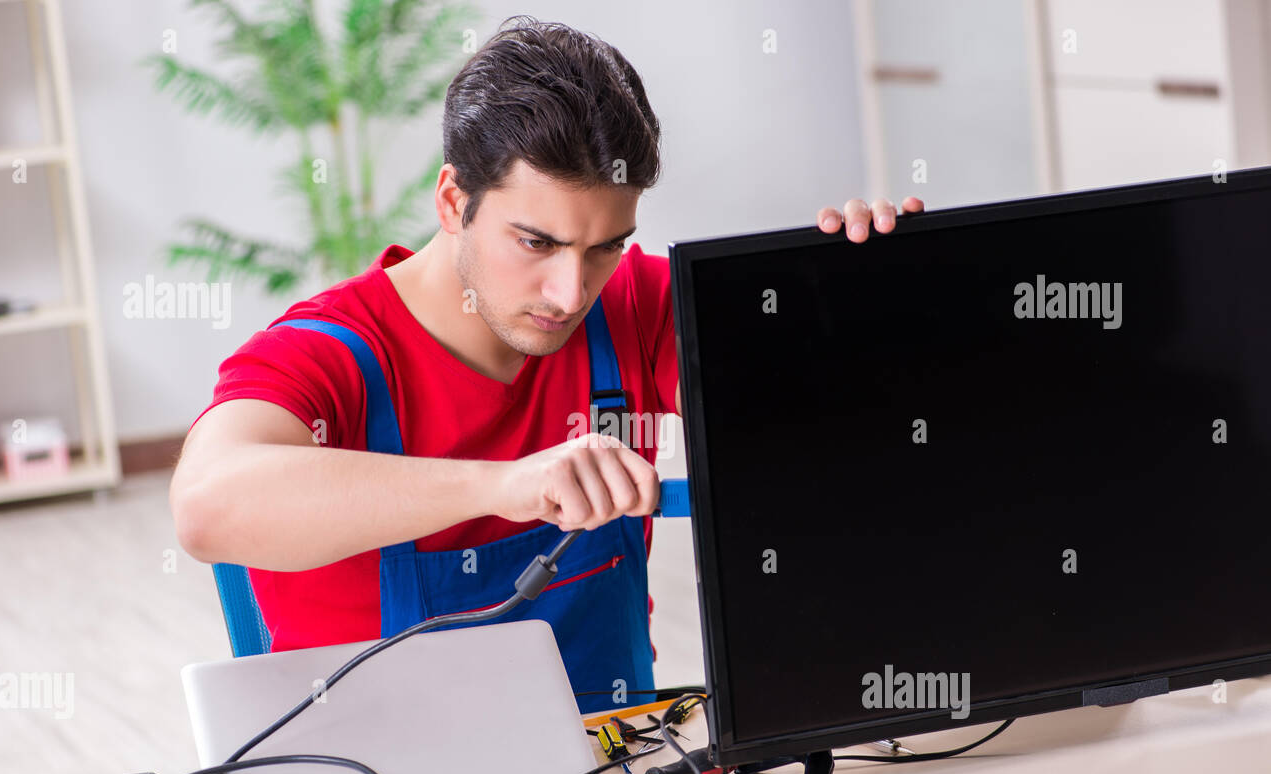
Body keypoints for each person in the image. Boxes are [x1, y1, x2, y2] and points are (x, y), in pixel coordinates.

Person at [169, 15, 923, 712]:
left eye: (604, 247)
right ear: (451, 199)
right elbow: (205, 506)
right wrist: (507, 484)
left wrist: (870, 308)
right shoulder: (330, 353)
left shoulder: (637, 305)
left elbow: (845, 443)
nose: (571, 293)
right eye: (537, 242)